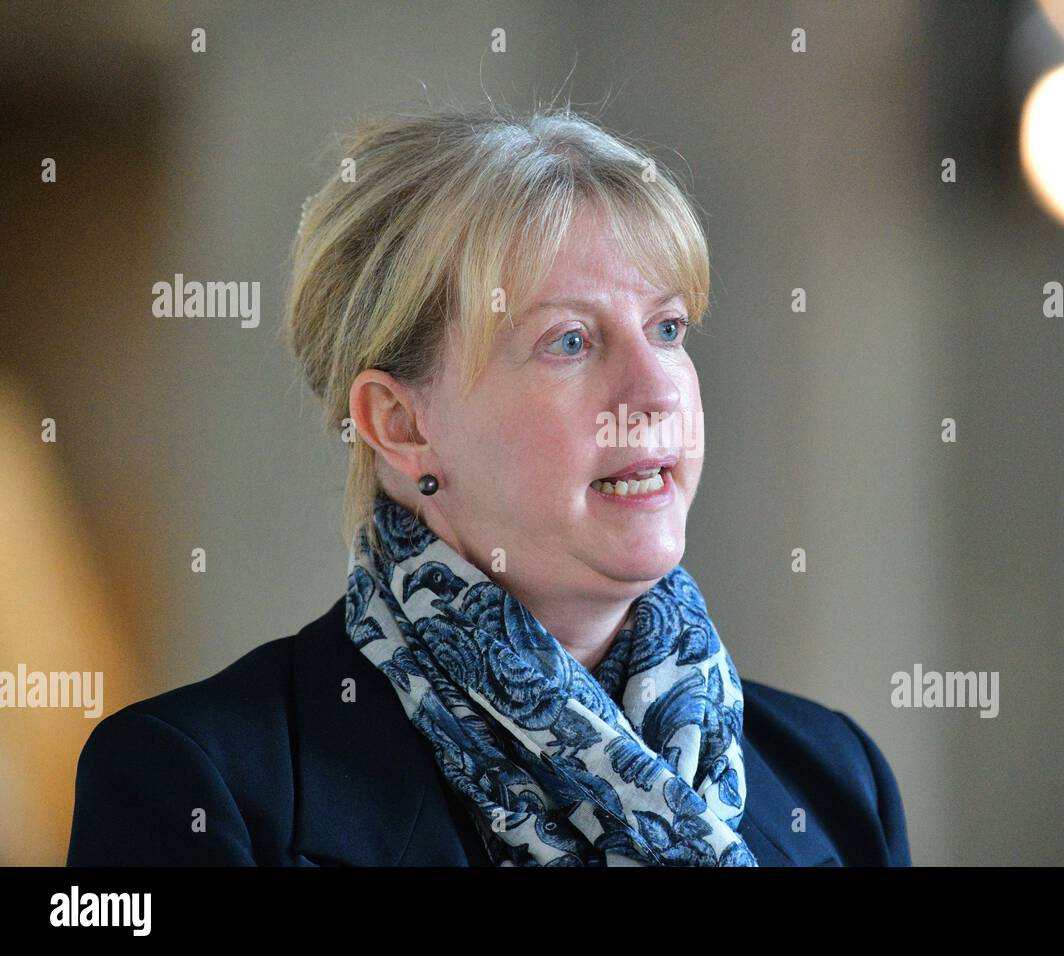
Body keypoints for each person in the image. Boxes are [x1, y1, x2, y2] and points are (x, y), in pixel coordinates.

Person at [66, 102, 911, 866]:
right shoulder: (198, 786)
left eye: (666, 327)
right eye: (571, 341)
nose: (656, 392)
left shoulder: (835, 780)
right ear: (400, 424)